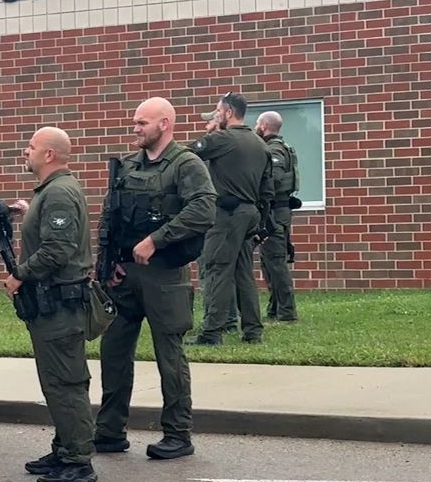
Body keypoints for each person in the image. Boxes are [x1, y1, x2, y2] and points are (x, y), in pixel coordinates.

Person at [95, 97, 216, 460]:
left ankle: (178, 433)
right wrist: (109, 263)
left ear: (165, 124)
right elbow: (110, 216)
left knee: (170, 355)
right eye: (135, 122)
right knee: (113, 351)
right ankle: (109, 431)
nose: (136, 129)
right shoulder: (127, 166)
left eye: (142, 123)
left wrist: (156, 240)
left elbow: (203, 208)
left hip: (165, 274)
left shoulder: (186, 164)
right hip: (125, 275)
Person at [7, 127, 97, 482]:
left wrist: (19, 276)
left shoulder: (58, 193)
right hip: (52, 306)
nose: (25, 152)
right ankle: (64, 448)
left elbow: (57, 249)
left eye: (31, 147)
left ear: (48, 155)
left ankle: (78, 460)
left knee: (66, 382)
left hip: (61, 304)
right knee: (56, 381)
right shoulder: (51, 192)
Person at [190, 92, 273, 345]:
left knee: (217, 270)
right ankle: (252, 331)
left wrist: (211, 133)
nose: (216, 116)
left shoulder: (223, 139)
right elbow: (267, 189)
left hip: (227, 215)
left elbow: (187, 155)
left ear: (228, 112)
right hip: (250, 214)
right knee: (243, 273)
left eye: (217, 112)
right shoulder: (260, 144)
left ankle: (211, 332)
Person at [256, 111, 299, 322]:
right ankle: (274, 309)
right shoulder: (283, 148)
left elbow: (272, 182)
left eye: (257, 124)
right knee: (268, 261)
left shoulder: (274, 152)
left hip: (275, 212)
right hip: (276, 212)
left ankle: (287, 312)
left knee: (275, 261)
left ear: (264, 126)